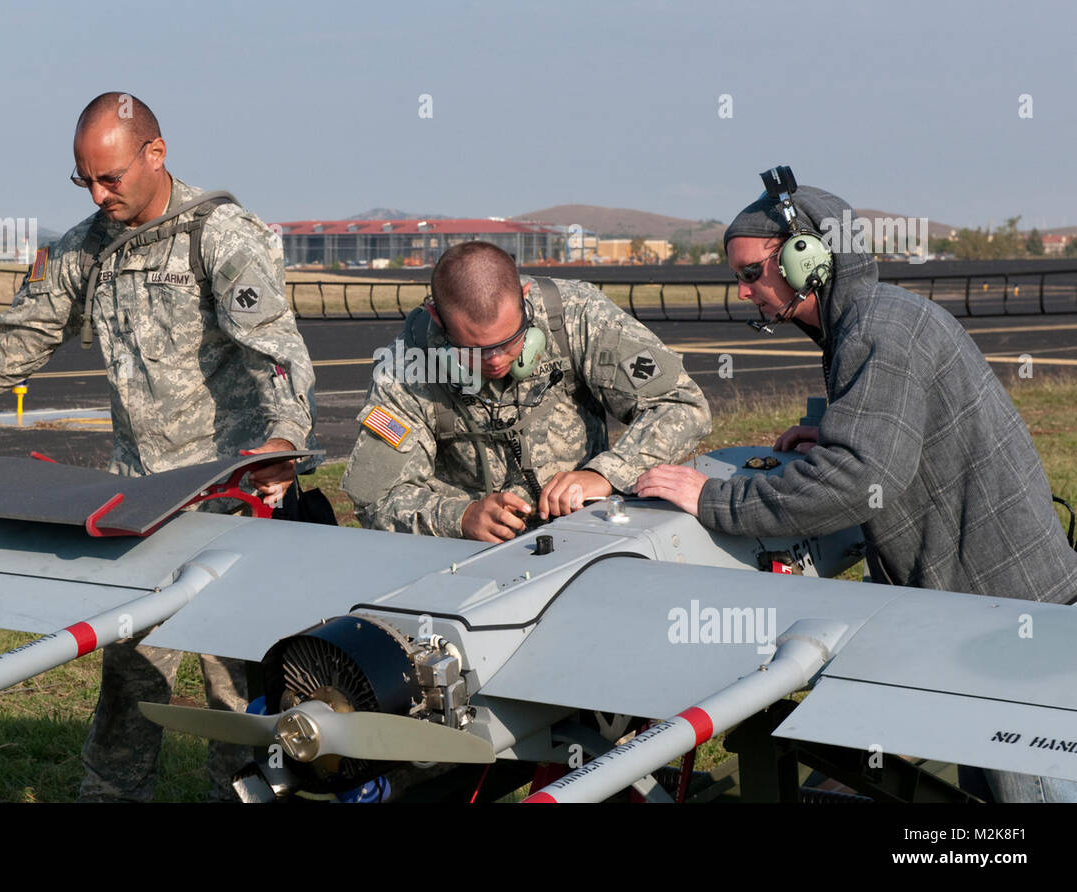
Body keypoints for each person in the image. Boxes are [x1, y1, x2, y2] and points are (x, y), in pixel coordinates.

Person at [0, 92, 319, 801]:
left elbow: (275, 349)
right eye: (85, 180)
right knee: (129, 679)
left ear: (155, 154)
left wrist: (283, 438)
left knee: (237, 691)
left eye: (111, 178)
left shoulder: (221, 235)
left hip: (234, 501)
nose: (99, 194)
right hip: (143, 504)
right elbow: (18, 340)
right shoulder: (84, 248)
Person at [635, 175, 1077, 802]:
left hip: (1006, 628)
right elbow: (894, 440)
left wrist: (710, 498)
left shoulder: (878, 329)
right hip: (995, 610)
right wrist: (836, 432)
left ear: (805, 259)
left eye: (752, 273)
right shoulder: (875, 316)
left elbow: (856, 478)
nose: (743, 292)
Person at [342, 241, 711, 541]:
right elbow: (374, 497)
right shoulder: (407, 367)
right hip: (470, 558)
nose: (496, 360)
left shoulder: (576, 316)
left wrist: (606, 475)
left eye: (509, 341)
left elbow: (682, 405)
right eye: (476, 349)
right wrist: (459, 517)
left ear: (524, 296)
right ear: (438, 319)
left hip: (586, 535)